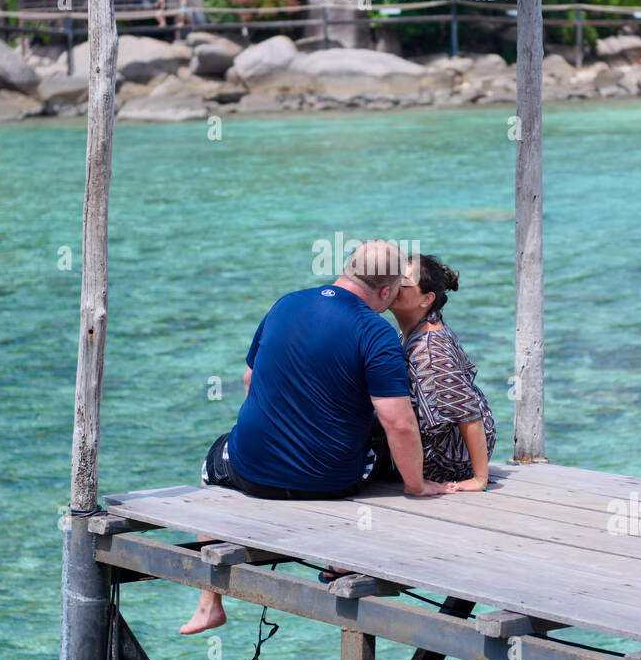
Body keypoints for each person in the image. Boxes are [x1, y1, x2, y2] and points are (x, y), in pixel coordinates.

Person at [180, 240, 454, 634]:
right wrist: (416, 485)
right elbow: (399, 423)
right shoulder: (375, 331)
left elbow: (250, 380)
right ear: (384, 291)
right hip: (330, 482)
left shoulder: (285, 305)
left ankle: (209, 603)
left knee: (210, 467)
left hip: (250, 470)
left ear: (346, 270)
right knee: (380, 449)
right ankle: (341, 559)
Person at [387, 254, 496, 490]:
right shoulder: (416, 328)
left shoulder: (431, 353)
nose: (394, 286)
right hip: (439, 440)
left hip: (447, 459)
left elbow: (468, 412)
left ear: (427, 299)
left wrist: (480, 479)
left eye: (404, 283)